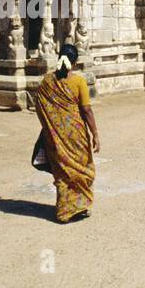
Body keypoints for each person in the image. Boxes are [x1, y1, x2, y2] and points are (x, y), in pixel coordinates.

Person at [34, 43, 99, 223]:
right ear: (75, 62)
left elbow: (39, 107)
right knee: (82, 170)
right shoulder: (78, 81)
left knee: (62, 172)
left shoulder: (47, 81)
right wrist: (95, 134)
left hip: (55, 136)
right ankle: (78, 206)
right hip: (76, 136)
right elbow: (86, 111)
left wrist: (51, 127)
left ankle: (65, 210)